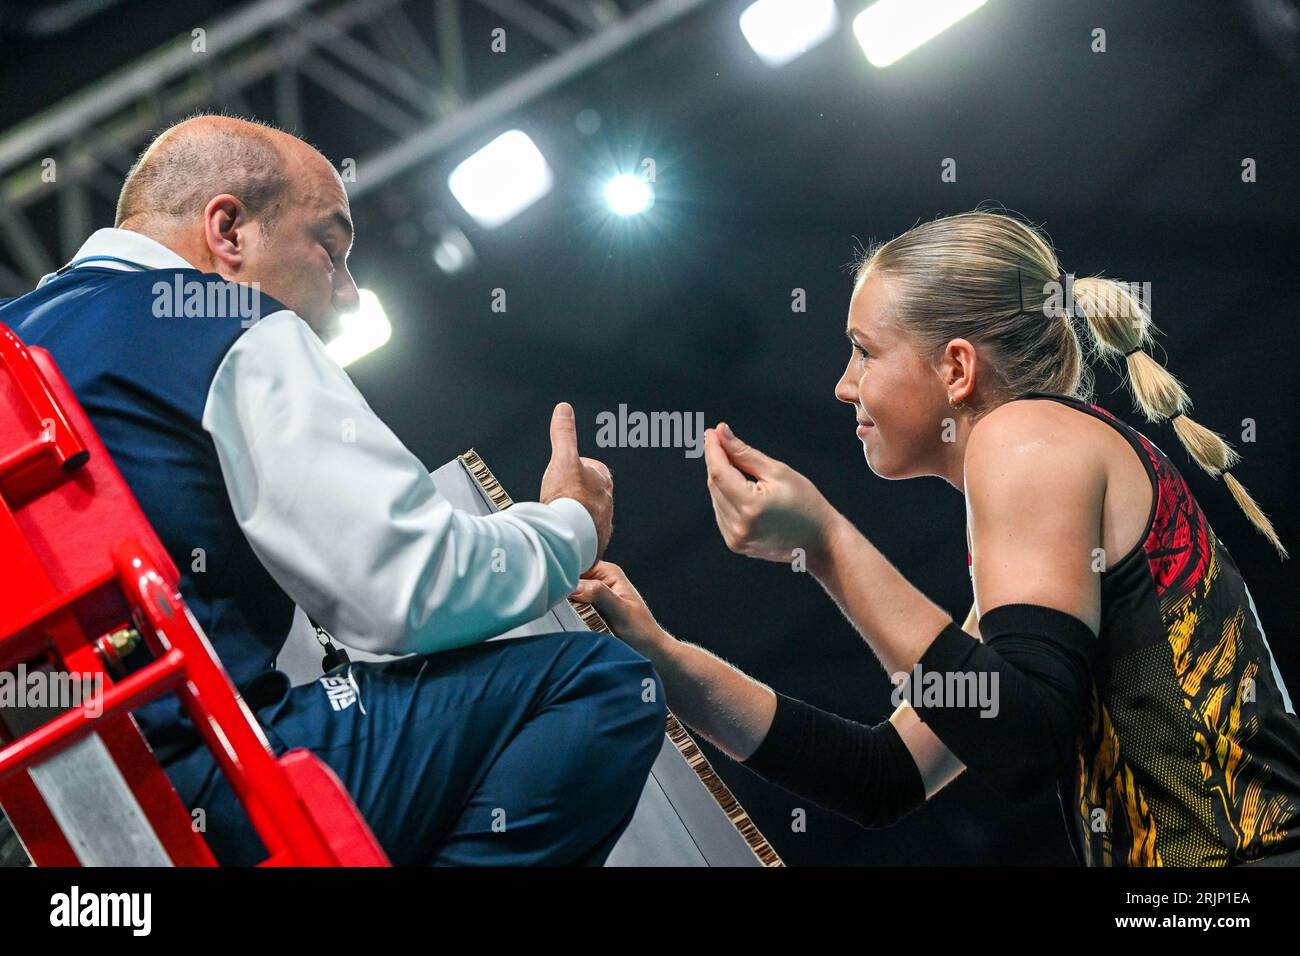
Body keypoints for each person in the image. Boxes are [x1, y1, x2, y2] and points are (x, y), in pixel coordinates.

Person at [0, 114, 666, 865]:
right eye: (332, 247)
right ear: (229, 232)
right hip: (189, 795)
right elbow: (410, 589)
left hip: (36, 829)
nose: (348, 295)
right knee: (600, 686)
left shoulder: (11, 345)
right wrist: (570, 524)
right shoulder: (226, 327)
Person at [569, 209, 1300, 866]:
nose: (843, 385)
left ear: (956, 367)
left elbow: (1024, 742)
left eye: (863, 351)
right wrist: (661, 657)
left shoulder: (1024, 436)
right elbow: (881, 773)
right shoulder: (1046, 482)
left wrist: (826, 543)